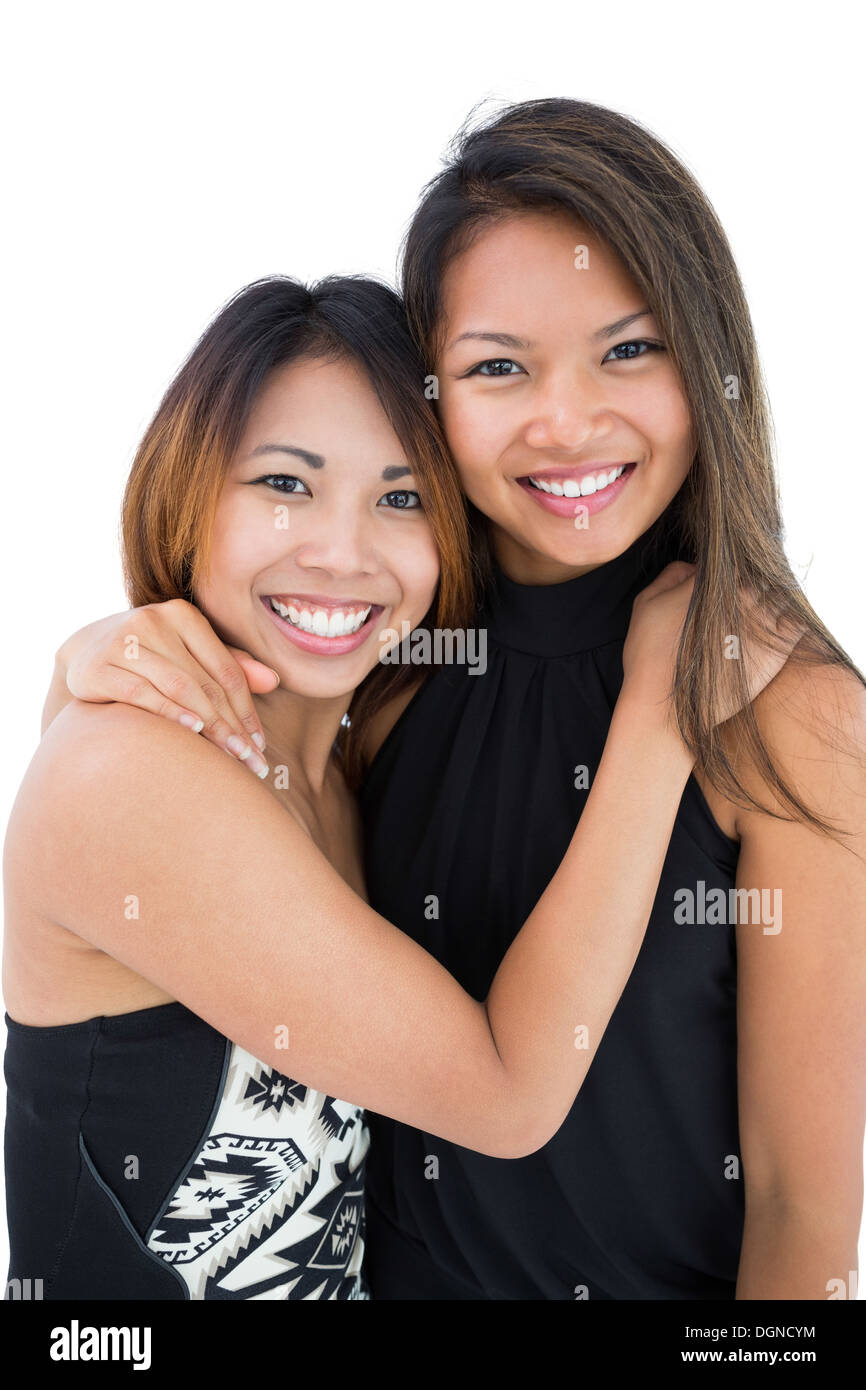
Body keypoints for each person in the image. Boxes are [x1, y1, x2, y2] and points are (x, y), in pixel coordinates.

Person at [35, 97, 866, 1301]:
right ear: (427, 395)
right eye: (496, 368)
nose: (567, 420)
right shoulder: (386, 666)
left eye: (629, 348)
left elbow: (803, 1221)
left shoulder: (788, 711)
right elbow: (163, 869)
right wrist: (85, 657)